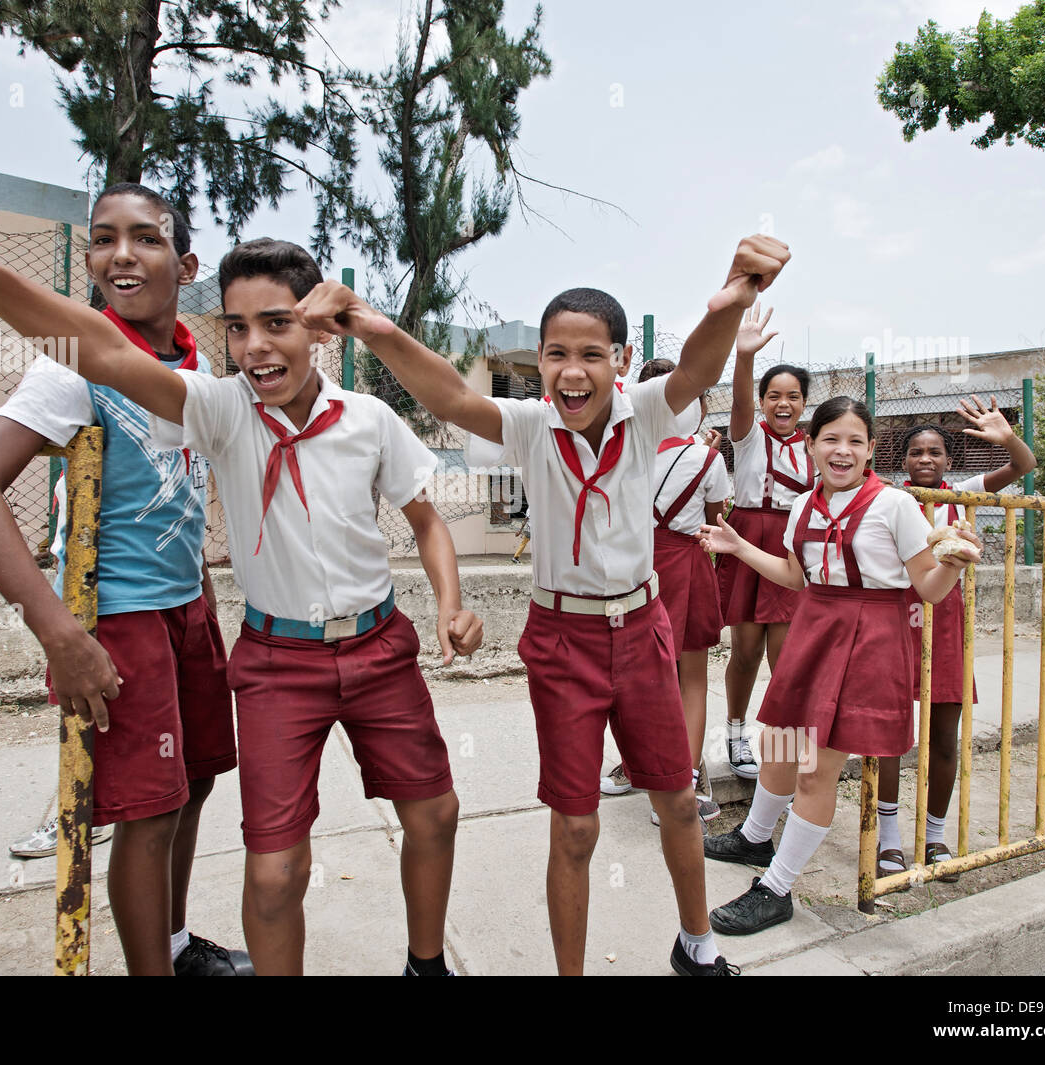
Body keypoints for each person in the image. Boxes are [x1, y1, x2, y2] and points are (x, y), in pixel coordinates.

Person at [0, 169, 482, 976]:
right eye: (238, 329)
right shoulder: (214, 402)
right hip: (211, 641)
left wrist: (450, 600)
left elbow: (430, 503)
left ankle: (389, 960)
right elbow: (90, 348)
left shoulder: (346, 412)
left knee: (372, 805)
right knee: (232, 850)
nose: (257, 345)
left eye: (277, 323)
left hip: (307, 630)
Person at [292, 234, 792, 975]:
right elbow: (452, 396)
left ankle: (698, 945)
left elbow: (697, 367)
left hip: (644, 628)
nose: (572, 369)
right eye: (556, 352)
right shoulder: (531, 425)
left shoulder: (647, 412)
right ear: (542, 362)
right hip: (564, 640)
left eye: (591, 353)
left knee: (679, 802)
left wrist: (728, 302)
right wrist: (372, 325)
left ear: (620, 361)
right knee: (576, 826)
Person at [0, 180, 247, 976]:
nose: (121, 255)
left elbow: (174, 481)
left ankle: (176, 948)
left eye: (144, 238)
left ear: (186, 262)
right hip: (120, 617)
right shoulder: (72, 362)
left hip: (187, 604)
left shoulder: (192, 357)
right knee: (148, 810)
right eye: (103, 239)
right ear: (87, 260)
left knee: (201, 775)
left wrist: (203, 586)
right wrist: (60, 634)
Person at [698, 397, 981, 934]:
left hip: (870, 639)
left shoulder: (895, 506)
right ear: (811, 446)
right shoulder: (804, 506)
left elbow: (927, 587)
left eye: (855, 440)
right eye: (830, 439)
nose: (842, 450)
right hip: (813, 627)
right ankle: (756, 839)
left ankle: (777, 889)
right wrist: (736, 547)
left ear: (871, 449)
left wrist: (954, 566)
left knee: (814, 768)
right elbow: (795, 575)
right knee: (778, 744)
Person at [877, 399, 1037, 879]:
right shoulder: (889, 498)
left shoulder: (961, 494)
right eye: (916, 453)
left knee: (944, 734)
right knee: (889, 735)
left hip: (945, 618)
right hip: (893, 616)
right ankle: (887, 840)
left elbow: (1024, 466)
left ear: (949, 461)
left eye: (935, 452)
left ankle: (936, 837)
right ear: (902, 461)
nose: (925, 459)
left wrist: (1005, 436)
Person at [602, 369, 728, 826]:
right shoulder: (708, 459)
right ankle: (687, 781)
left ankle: (640, 766)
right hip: (687, 566)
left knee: (637, 676)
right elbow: (714, 522)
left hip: (634, 565)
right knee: (692, 676)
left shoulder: (622, 451)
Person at [714, 305, 815, 780]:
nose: (783, 404)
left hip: (796, 547)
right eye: (773, 395)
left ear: (803, 403)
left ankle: (786, 748)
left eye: (792, 397)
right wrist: (744, 357)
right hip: (750, 539)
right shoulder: (749, 436)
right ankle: (736, 736)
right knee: (747, 650)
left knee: (788, 658)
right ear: (761, 401)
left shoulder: (816, 445)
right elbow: (738, 402)